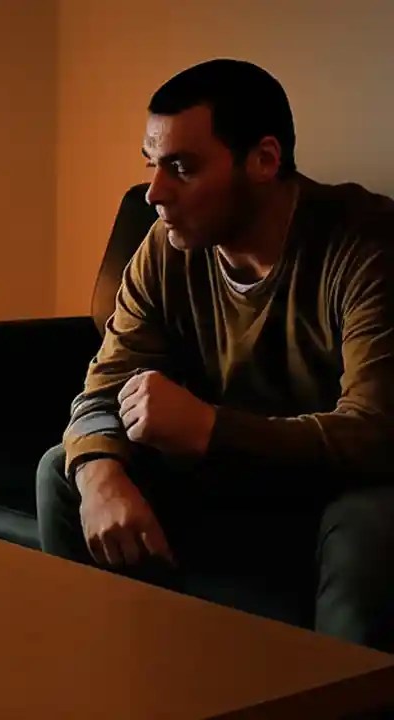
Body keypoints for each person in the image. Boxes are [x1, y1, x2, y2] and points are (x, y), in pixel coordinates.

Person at [36, 58, 394, 652]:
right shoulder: (168, 246)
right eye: (152, 165)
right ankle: (113, 680)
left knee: (370, 529)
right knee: (65, 472)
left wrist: (210, 428)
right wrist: (100, 476)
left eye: (182, 168)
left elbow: (377, 434)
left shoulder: (366, 246)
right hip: (228, 469)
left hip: (338, 483)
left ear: (264, 161)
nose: (154, 193)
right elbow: (104, 384)